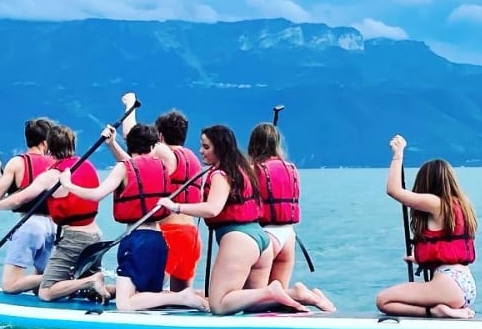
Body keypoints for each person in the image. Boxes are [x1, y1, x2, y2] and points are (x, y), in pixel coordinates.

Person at [156, 125, 333, 316]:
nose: (201, 151)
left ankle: (272, 291)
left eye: (206, 147)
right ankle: (294, 294)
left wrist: (175, 206)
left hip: (240, 240)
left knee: (219, 305)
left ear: (220, 147)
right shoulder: (244, 170)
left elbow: (212, 209)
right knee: (251, 304)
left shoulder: (221, 174)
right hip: (260, 240)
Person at [59, 123, 208, 312]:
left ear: (129, 144)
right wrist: (112, 144)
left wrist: (68, 184)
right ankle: (182, 296)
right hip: (159, 241)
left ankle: (181, 296)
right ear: (154, 147)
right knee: (146, 300)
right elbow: (138, 169)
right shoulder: (163, 167)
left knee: (125, 304)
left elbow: (97, 194)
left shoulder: (124, 168)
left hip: (138, 241)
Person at [0, 125, 112, 302]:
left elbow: (19, 199)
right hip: (95, 235)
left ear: (48, 146)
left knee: (42, 291)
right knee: (78, 284)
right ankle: (130, 293)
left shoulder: (52, 174)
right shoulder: (87, 164)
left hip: (75, 237)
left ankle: (87, 281)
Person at [375, 134, 478, 318]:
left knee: (384, 301)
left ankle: (436, 311)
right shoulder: (462, 205)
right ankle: (448, 309)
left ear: (427, 182)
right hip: (466, 284)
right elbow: (448, 250)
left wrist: (398, 154)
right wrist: (421, 259)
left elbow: (393, 190)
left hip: (449, 283)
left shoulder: (437, 203)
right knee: (389, 300)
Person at [121, 92, 204, 292]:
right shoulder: (192, 158)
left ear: (159, 136)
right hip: (191, 235)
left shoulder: (168, 154)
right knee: (181, 296)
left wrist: (130, 105)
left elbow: (131, 135)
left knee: (146, 290)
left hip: (171, 233)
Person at [0, 117, 57, 294]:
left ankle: (61, 276)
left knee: (9, 285)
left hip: (30, 225)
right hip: (55, 227)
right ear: (45, 142)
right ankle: (57, 276)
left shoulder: (17, 162)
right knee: (40, 288)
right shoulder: (57, 163)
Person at [248, 122, 301, 288]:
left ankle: (301, 295)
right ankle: (299, 295)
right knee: (278, 294)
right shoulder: (291, 168)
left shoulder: (254, 170)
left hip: (267, 234)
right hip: (288, 235)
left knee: (254, 296)